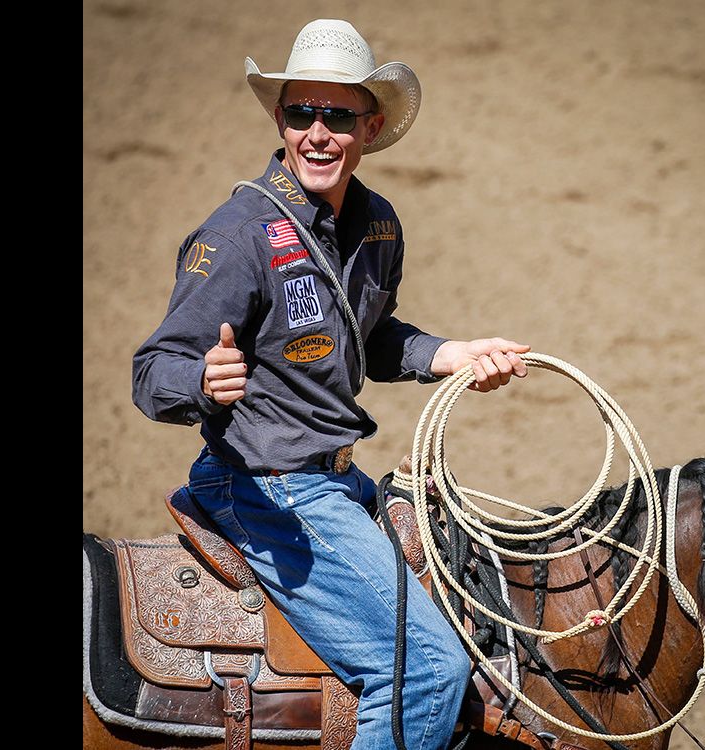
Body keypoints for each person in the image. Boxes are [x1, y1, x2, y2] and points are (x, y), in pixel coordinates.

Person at [132, 18, 529, 750]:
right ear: (280, 120)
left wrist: (451, 353)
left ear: (370, 127)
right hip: (266, 485)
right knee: (427, 673)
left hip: (340, 480)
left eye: (337, 115)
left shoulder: (378, 225)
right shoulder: (240, 234)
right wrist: (202, 380)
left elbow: (371, 336)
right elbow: (153, 372)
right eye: (299, 113)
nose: (317, 132)